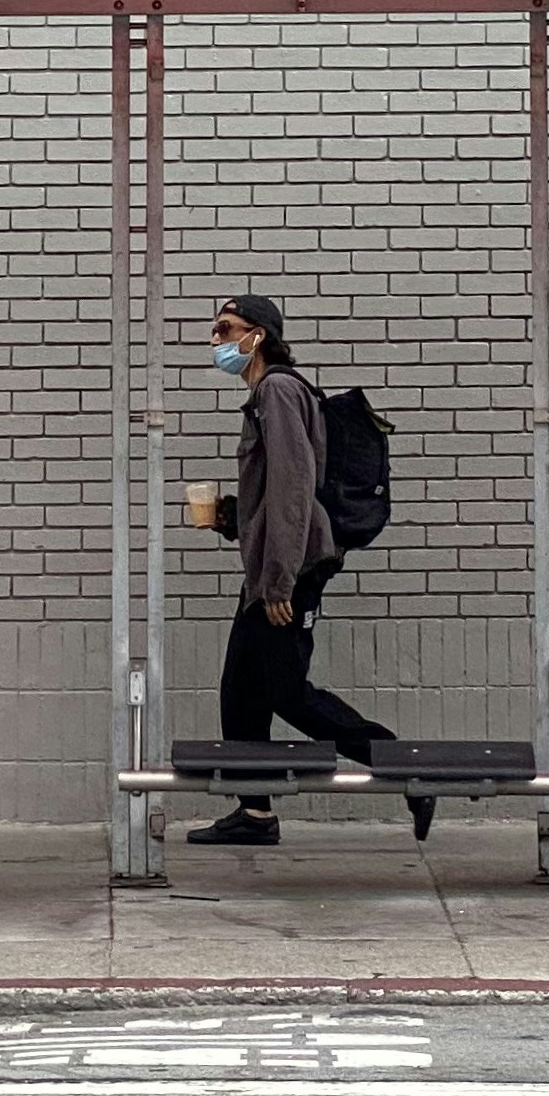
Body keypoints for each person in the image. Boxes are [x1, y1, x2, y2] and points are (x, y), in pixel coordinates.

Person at [186, 292, 433, 848]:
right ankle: (254, 813)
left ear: (258, 336)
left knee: (288, 694)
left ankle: (407, 766)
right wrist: (232, 517)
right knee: (241, 692)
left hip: (289, 572)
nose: (216, 340)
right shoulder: (268, 394)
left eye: (226, 329)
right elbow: (278, 493)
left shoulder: (277, 390)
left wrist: (279, 581)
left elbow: (293, 489)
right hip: (272, 569)